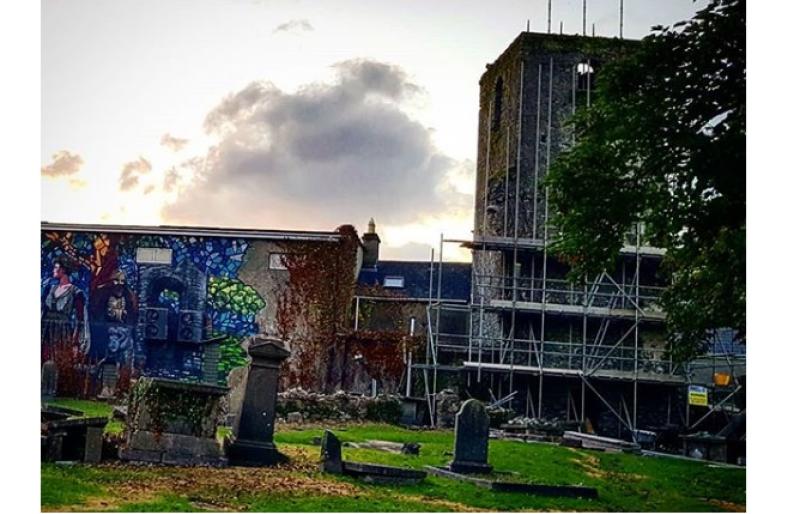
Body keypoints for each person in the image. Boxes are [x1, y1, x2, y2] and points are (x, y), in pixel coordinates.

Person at [41, 258, 90, 355]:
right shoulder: (50, 288)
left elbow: (80, 319)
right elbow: (43, 310)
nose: (53, 270)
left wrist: (76, 340)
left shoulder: (76, 292)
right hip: (45, 330)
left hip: (62, 332)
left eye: (56, 267)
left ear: (63, 270)